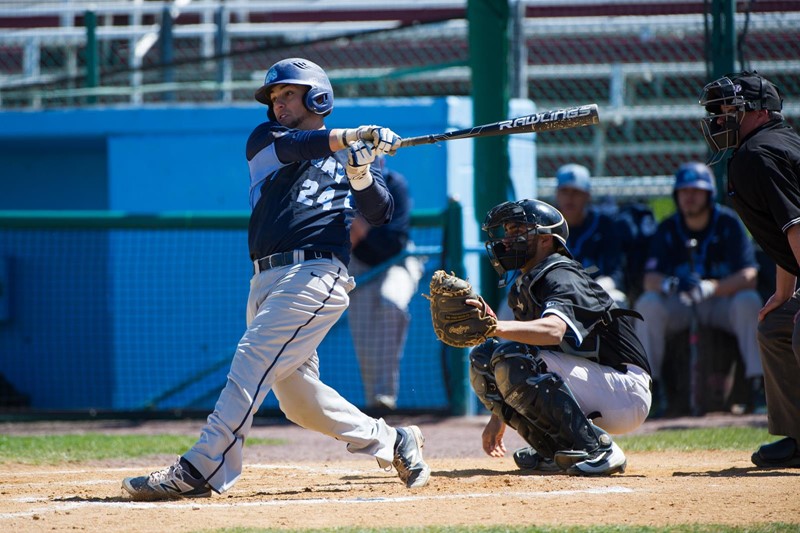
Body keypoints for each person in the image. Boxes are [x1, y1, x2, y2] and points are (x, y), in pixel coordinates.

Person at [121, 57, 431, 500]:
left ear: (317, 96)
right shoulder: (267, 139)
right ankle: (392, 440)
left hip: (318, 271)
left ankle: (203, 466)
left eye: (288, 94)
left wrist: (362, 168)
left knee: (251, 358)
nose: (279, 103)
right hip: (266, 278)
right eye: (275, 97)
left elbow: (380, 212)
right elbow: (302, 146)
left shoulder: (356, 154)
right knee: (298, 401)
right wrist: (355, 136)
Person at [469, 198, 652, 476]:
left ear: (545, 240)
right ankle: (557, 450)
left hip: (625, 389)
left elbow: (553, 331)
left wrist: (493, 327)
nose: (507, 240)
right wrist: (499, 417)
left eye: (518, 230)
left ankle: (598, 448)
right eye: (507, 231)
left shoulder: (561, 274)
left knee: (511, 356)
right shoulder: (528, 283)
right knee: (483, 359)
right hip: (593, 381)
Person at [700, 70, 800, 468]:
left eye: (728, 109)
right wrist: (784, 292)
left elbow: (797, 227)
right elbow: (783, 235)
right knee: (776, 325)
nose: (719, 119)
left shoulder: (759, 154)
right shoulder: (768, 145)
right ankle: (797, 438)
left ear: (757, 112)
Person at [634, 162, 764, 414]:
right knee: (647, 304)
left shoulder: (728, 223)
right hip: (681, 302)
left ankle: (756, 387)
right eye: (684, 191)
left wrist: (713, 287)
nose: (689, 197)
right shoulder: (669, 228)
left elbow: (750, 275)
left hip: (719, 302)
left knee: (748, 300)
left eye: (696, 191)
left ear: (709, 194)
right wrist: (670, 284)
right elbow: (648, 278)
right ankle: (649, 389)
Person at [348, 159, 424, 411]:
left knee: (391, 302)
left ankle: (385, 395)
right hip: (357, 263)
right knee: (363, 327)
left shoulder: (394, 185)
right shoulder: (343, 187)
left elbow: (392, 244)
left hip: (398, 260)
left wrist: (362, 229)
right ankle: (377, 401)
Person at [554, 164, 627, 304]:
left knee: (617, 300)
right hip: (554, 290)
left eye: (576, 192)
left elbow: (614, 274)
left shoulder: (604, 226)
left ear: (587, 196)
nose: (570, 198)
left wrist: (591, 287)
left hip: (595, 289)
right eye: (565, 191)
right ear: (557, 194)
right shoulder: (546, 225)